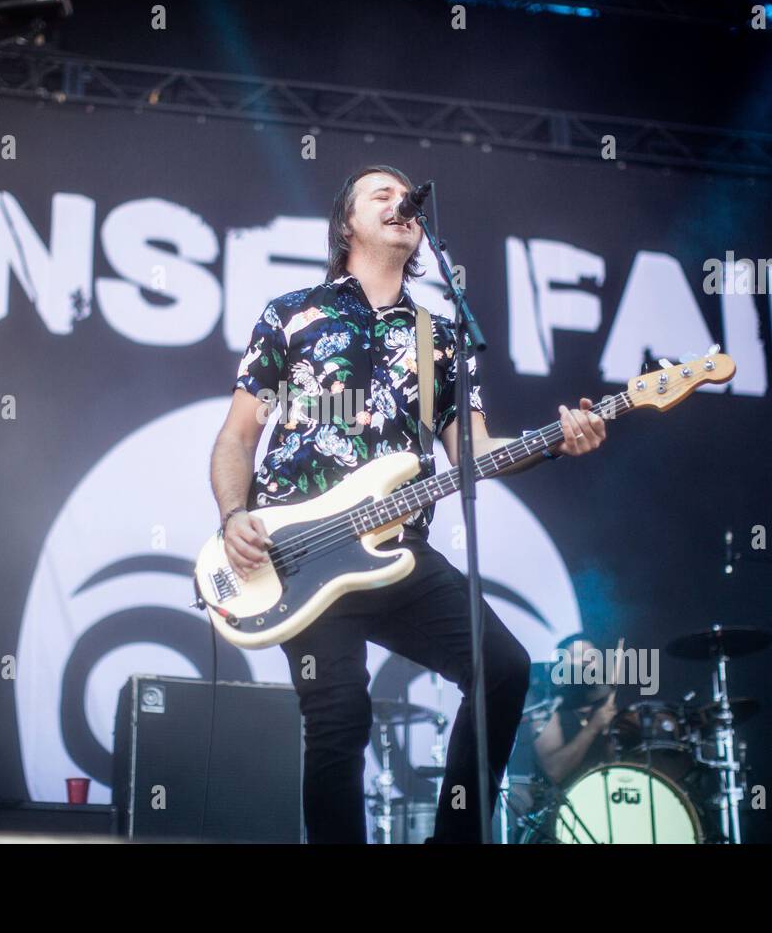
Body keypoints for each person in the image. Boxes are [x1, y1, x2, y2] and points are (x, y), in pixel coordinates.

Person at [208, 164, 608, 843]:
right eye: (381, 195)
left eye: (407, 197)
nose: (402, 203)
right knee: (338, 715)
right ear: (346, 226)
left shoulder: (440, 337)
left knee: (504, 670)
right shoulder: (291, 314)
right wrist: (232, 516)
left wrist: (555, 442)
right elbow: (236, 437)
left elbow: (473, 455)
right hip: (294, 553)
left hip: (395, 548)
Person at [531, 633, 619, 786]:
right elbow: (553, 772)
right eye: (578, 655)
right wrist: (593, 726)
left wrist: (612, 734)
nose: (587, 660)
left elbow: (622, 772)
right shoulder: (549, 710)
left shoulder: (608, 709)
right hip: (561, 804)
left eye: (592, 655)